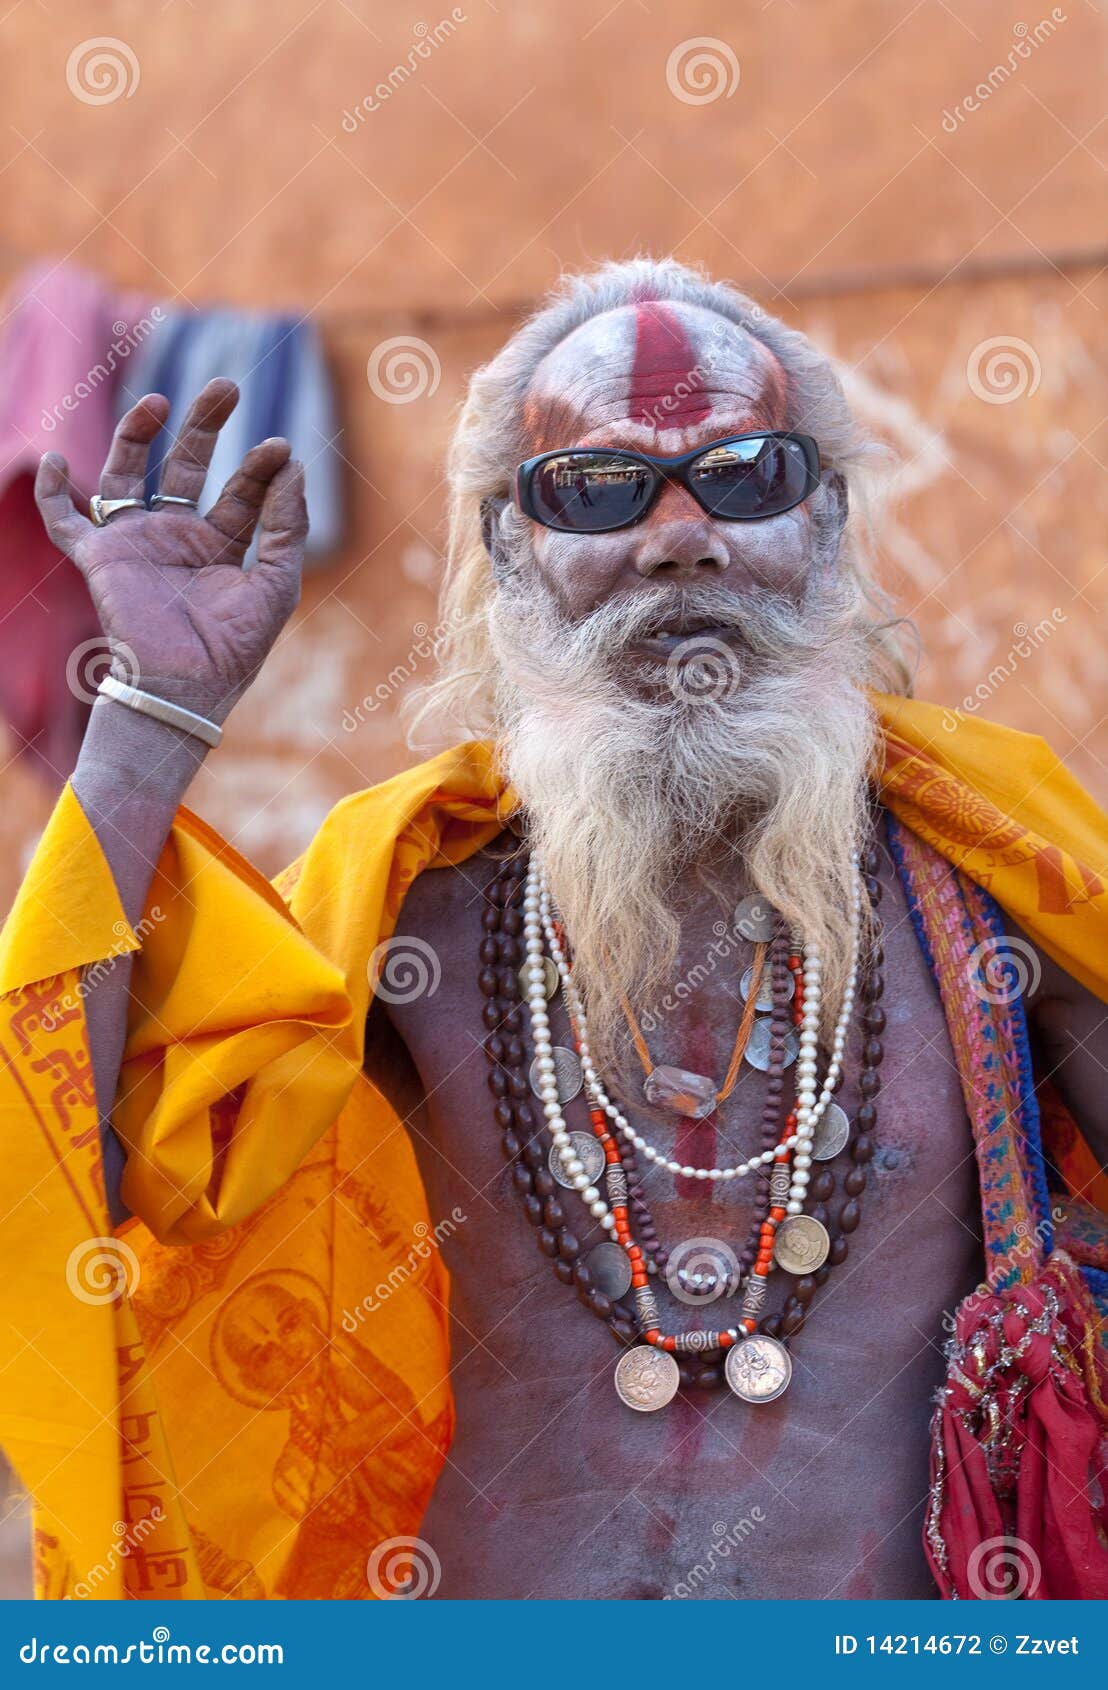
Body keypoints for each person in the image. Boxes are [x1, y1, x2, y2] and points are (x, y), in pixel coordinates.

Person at [2, 258, 1106, 1602]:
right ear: (506, 547)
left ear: (823, 522)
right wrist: (149, 717)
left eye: (746, 473)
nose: (679, 536)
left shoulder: (996, 885)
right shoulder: (405, 903)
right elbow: (74, 1187)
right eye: (601, 488)